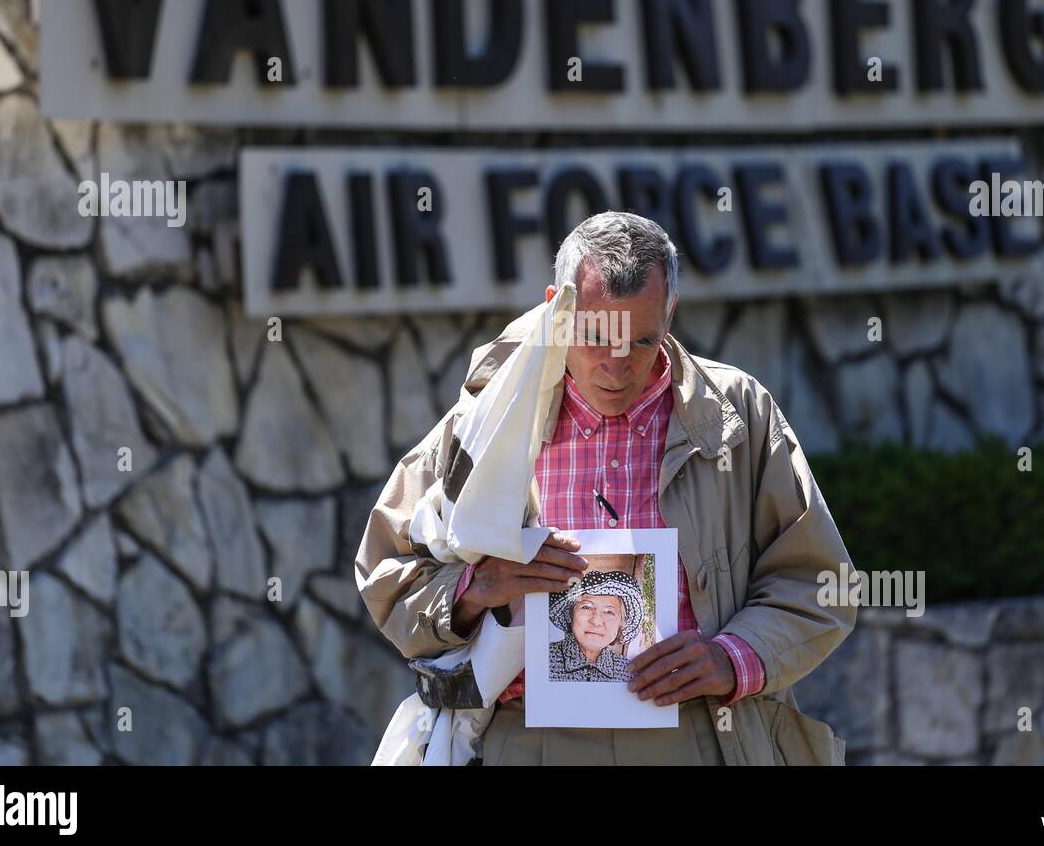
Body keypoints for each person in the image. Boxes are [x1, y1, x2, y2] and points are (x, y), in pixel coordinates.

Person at [357, 211, 857, 765]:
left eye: (642, 341)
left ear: (670, 315)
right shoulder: (490, 419)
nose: (616, 367)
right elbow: (389, 573)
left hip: (701, 737)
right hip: (527, 743)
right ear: (558, 308)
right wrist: (475, 590)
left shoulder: (737, 414)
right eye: (595, 337)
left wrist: (732, 656)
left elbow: (820, 581)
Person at [548, 570, 645, 683]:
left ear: (621, 623)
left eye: (609, 612)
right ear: (570, 615)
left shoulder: (629, 674)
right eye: (586, 607)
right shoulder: (541, 659)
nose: (596, 621)